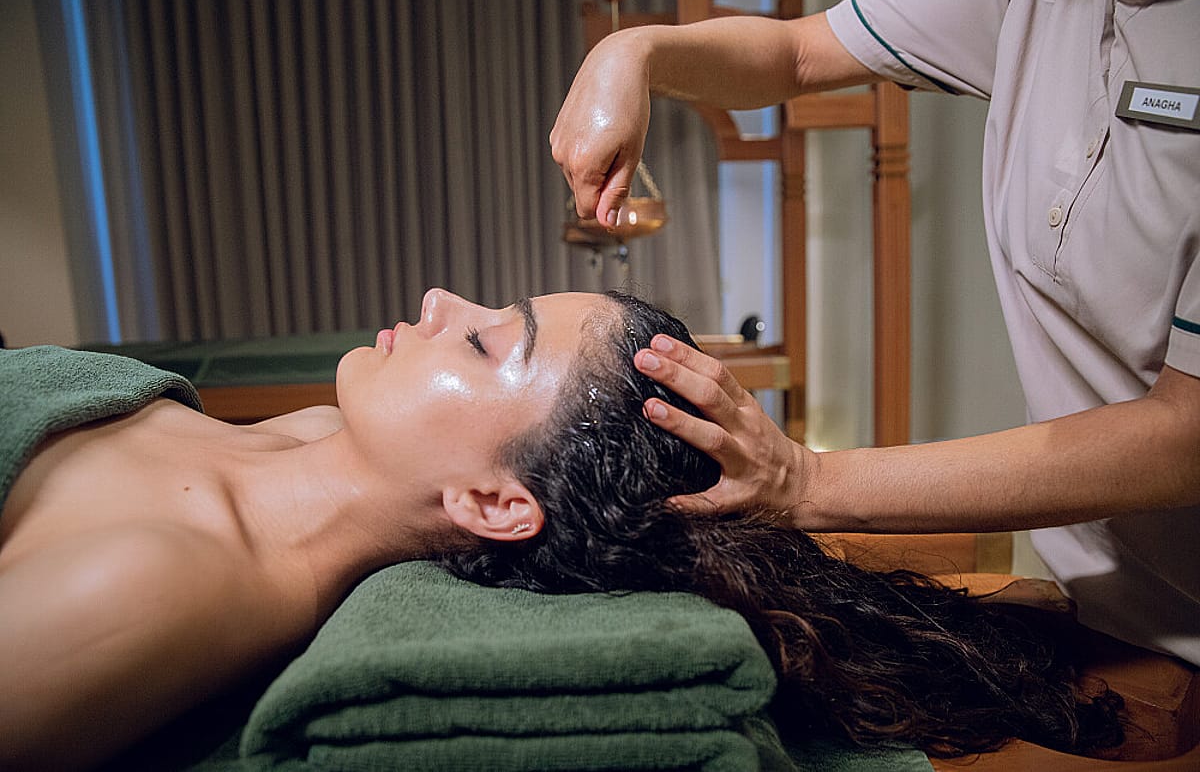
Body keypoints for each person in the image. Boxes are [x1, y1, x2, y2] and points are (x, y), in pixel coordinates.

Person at [1, 288, 1121, 769]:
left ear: (495, 504)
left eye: (488, 342)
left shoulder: (155, 585)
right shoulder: (297, 438)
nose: (441, 304)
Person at [549, 0, 1200, 667]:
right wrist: (633, 52)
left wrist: (807, 480)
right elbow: (796, 52)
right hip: (1118, 616)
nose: (433, 305)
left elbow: (1185, 434)